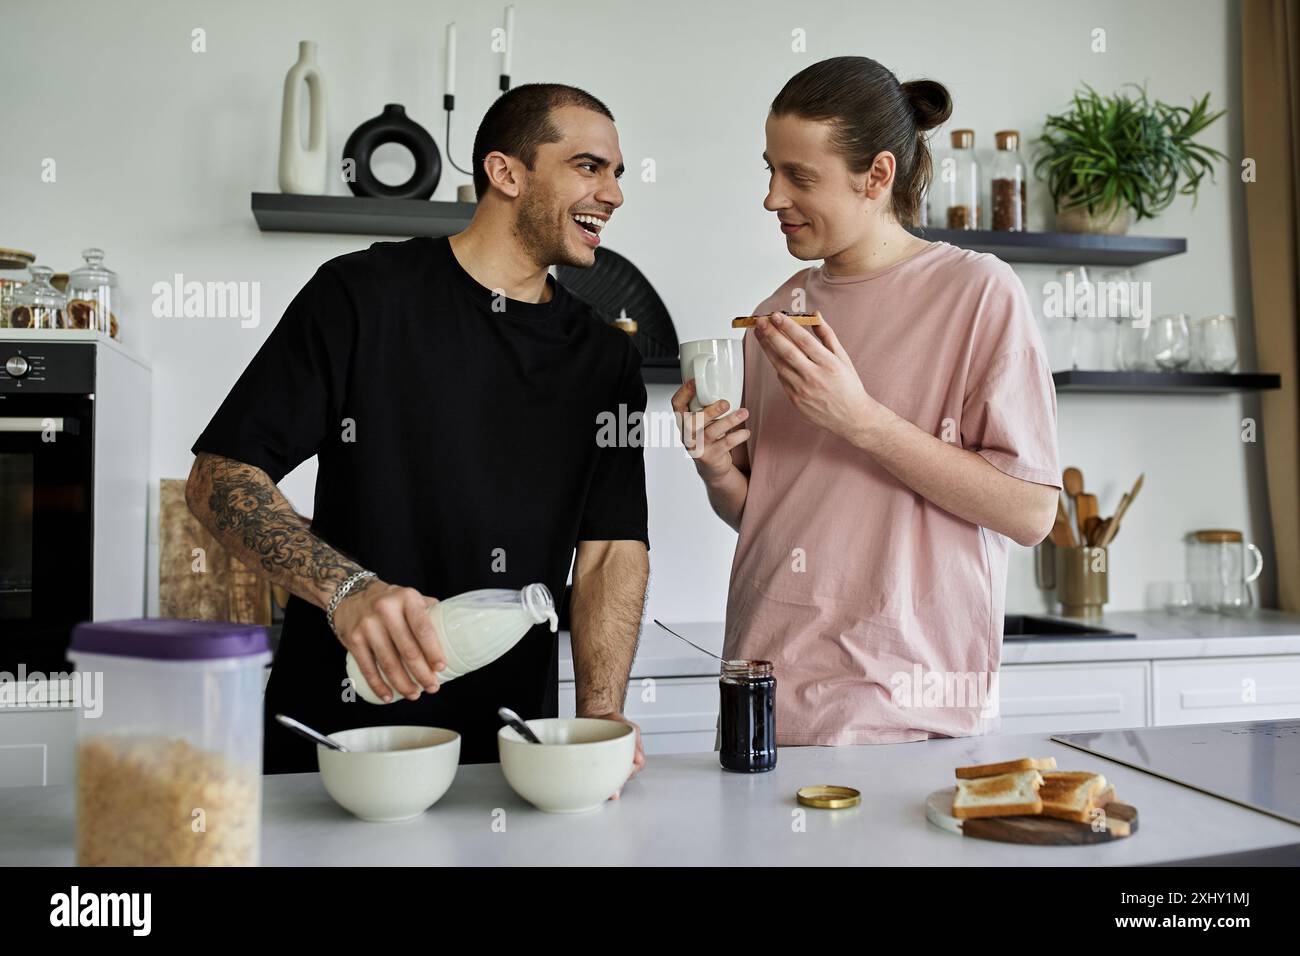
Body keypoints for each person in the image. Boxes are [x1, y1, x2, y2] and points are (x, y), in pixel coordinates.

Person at [187, 84, 649, 785]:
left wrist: (600, 715)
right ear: (506, 172)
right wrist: (348, 590)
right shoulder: (361, 295)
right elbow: (220, 477)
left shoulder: (606, 360)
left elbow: (611, 550)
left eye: (617, 173)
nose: (613, 194)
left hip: (513, 752)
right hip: (336, 746)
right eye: (590, 167)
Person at [674, 56, 1061, 747]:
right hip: (765, 697)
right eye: (770, 169)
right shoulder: (777, 315)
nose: (772, 197)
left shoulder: (978, 293)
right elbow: (771, 517)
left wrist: (863, 420)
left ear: (877, 176)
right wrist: (720, 473)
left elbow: (1030, 511)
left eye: (799, 176)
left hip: (909, 714)